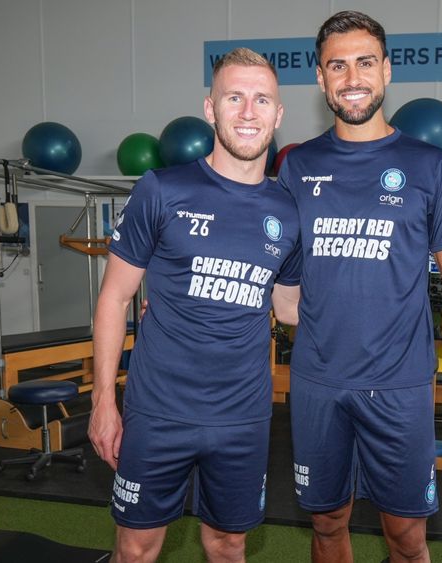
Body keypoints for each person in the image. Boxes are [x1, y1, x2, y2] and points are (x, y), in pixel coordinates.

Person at [276, 11, 442, 563]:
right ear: (321, 80)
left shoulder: (428, 165)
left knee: (407, 537)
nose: (352, 77)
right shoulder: (297, 167)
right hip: (319, 381)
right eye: (337, 66)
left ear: (387, 70)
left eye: (365, 62)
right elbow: (274, 274)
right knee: (326, 523)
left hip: (400, 385)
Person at [89, 48, 301, 563]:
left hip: (243, 416)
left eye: (261, 100)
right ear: (211, 109)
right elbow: (115, 298)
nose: (248, 112)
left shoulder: (288, 211)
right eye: (234, 97)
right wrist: (102, 400)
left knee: (228, 546)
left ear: (278, 114)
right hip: (159, 409)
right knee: (137, 548)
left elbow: (293, 310)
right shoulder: (162, 190)